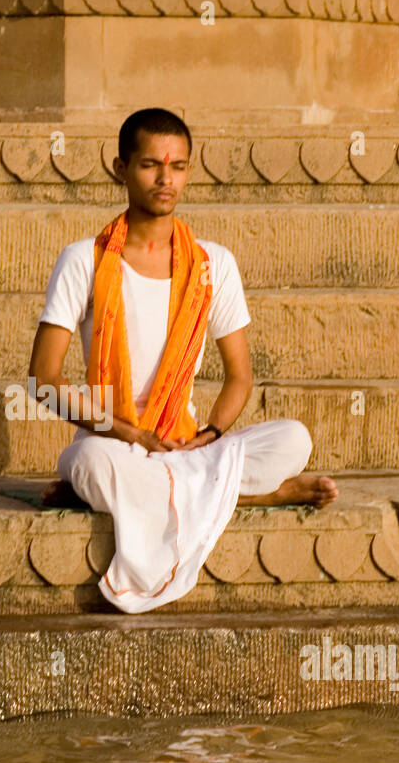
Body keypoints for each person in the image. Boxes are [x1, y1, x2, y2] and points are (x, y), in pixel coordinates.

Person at [27, 107, 337, 613]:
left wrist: (209, 436)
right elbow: (43, 380)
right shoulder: (83, 259)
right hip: (113, 443)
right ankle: (260, 496)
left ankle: (129, 495)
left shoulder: (214, 264)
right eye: (150, 165)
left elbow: (240, 377)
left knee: (292, 439)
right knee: (87, 462)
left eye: (178, 167)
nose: (165, 178)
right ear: (119, 168)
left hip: (186, 444)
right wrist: (131, 434)